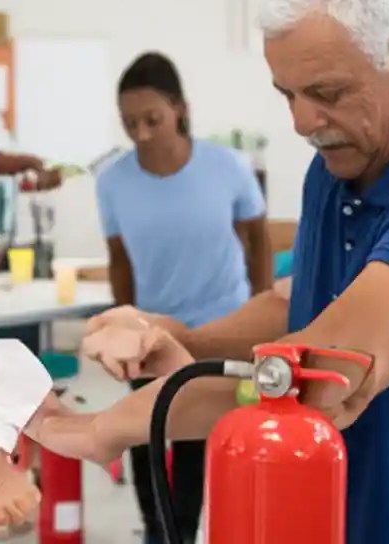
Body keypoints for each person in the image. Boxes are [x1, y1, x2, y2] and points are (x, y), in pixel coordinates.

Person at [22, 0, 389, 544]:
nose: (302, 122)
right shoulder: (336, 169)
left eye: (327, 94)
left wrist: (104, 428)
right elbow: (301, 302)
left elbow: (317, 374)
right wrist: (184, 338)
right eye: (288, 95)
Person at [95, 51, 271, 544]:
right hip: (153, 329)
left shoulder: (226, 166)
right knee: (142, 430)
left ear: (180, 109)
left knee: (195, 439)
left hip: (221, 326)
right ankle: (157, 531)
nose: (142, 133)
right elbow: (119, 260)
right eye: (130, 123)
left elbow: (258, 240)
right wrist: (123, 326)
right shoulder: (113, 182)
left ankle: (184, 532)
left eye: (152, 119)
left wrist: (259, 314)